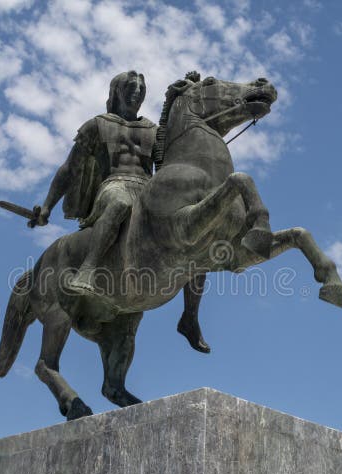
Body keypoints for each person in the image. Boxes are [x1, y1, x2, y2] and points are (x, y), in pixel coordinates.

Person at [30, 70, 211, 353]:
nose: (136, 93)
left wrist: (187, 92)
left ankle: (190, 316)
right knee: (120, 204)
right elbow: (70, 169)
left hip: (148, 189)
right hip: (113, 185)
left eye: (140, 89)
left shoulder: (153, 130)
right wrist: (47, 207)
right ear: (116, 92)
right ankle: (87, 271)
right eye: (130, 88)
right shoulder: (97, 125)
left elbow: (176, 148)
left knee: (196, 234)